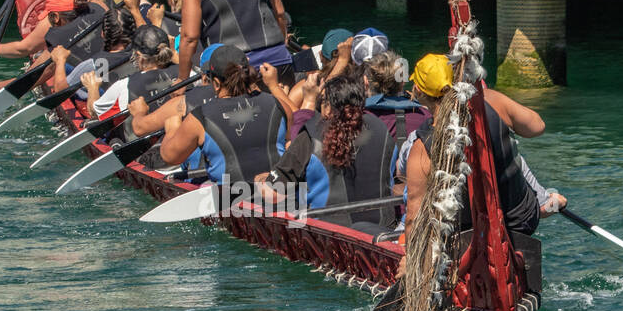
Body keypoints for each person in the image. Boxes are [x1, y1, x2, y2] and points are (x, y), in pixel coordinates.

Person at [403, 54, 565, 237]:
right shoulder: (490, 100)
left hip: (465, 236)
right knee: (511, 149)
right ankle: (543, 202)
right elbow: (537, 127)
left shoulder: (420, 147)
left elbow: (413, 219)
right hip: (521, 221)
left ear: (417, 91)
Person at [256, 75, 397, 232]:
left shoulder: (310, 136)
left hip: (327, 238)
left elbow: (272, 195)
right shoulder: (383, 130)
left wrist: (260, 180)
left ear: (328, 107)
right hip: (382, 234)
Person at [157, 45, 288, 185]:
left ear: (217, 83)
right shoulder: (279, 104)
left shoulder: (199, 118)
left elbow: (170, 157)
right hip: (283, 194)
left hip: (230, 200)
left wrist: (172, 129)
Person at [86, 24, 178, 120]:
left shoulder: (124, 86)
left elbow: (95, 113)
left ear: (139, 55)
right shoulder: (187, 72)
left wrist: (92, 87)